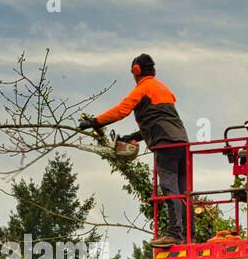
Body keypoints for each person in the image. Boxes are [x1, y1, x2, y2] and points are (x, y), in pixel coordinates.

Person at [79, 54, 190, 247]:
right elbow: (158, 120)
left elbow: (121, 110)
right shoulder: (163, 88)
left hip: (165, 144)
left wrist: (93, 122)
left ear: (136, 71)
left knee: (170, 188)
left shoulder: (143, 88)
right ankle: (189, 235)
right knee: (184, 191)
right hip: (182, 143)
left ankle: (174, 234)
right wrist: (134, 136)